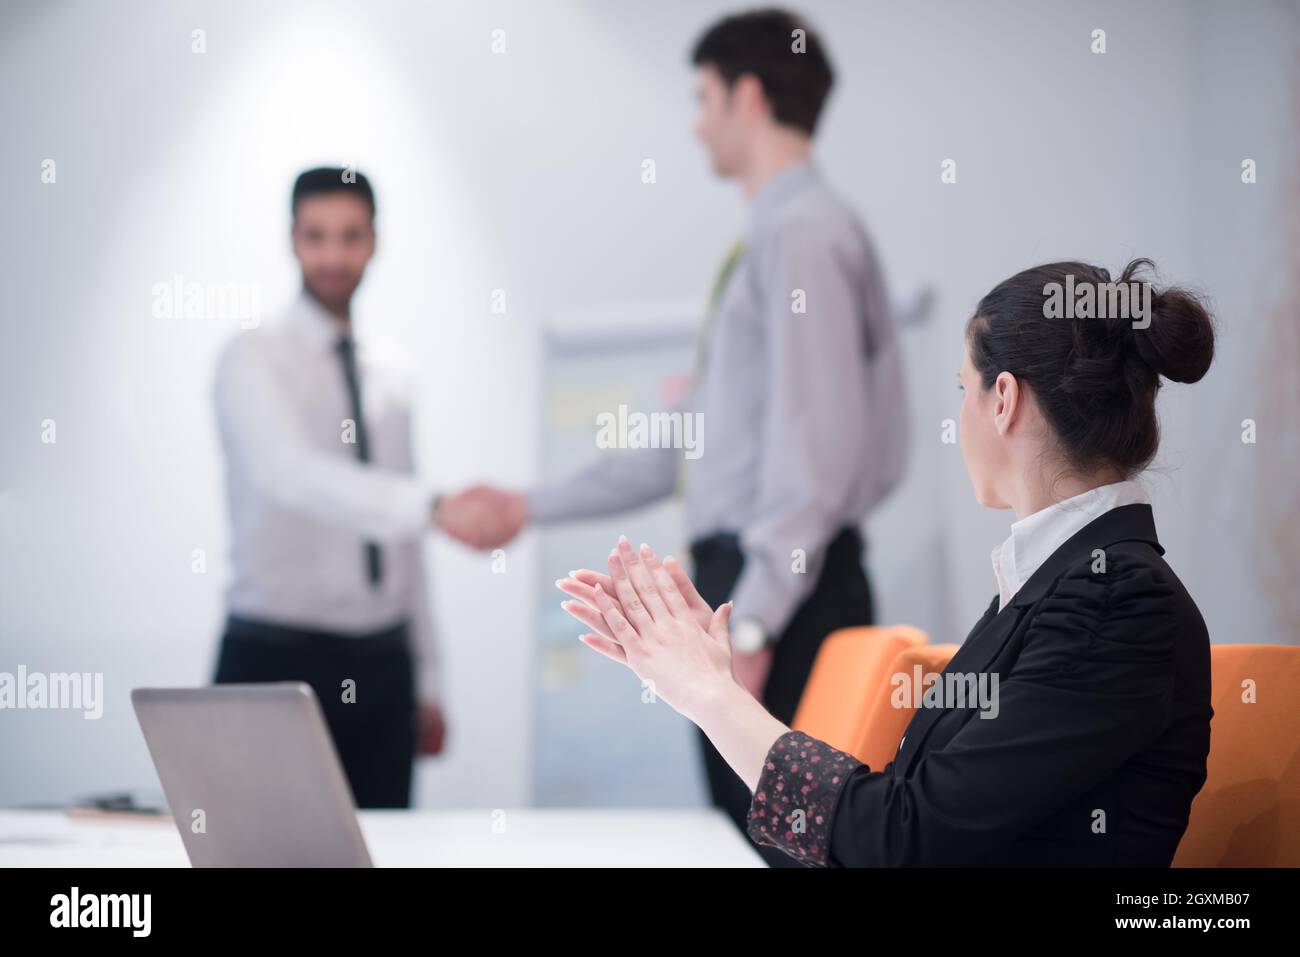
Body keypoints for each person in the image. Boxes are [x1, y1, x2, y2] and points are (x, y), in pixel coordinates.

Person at [556, 257, 1216, 866]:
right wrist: (715, 696)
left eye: (966, 388)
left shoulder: (1115, 603)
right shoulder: (1061, 583)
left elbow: (905, 838)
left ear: (1004, 399)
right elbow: (900, 822)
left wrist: (711, 696)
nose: (961, 415)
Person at [443, 8, 907, 864]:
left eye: (703, 98)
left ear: (748, 95)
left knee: (791, 848)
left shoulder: (803, 234)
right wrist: (528, 502)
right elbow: (689, 441)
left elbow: (821, 455)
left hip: (783, 595)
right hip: (771, 586)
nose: (695, 124)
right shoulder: (779, 235)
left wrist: (757, 623)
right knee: (770, 843)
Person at [211, 168, 506, 807]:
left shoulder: (391, 373)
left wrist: (428, 675)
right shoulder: (251, 359)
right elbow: (288, 475)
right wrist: (432, 506)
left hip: (382, 666)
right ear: (292, 240)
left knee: (380, 852)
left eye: (350, 236)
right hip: (272, 657)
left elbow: (401, 540)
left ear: (374, 242)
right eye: (316, 236)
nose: (333, 256)